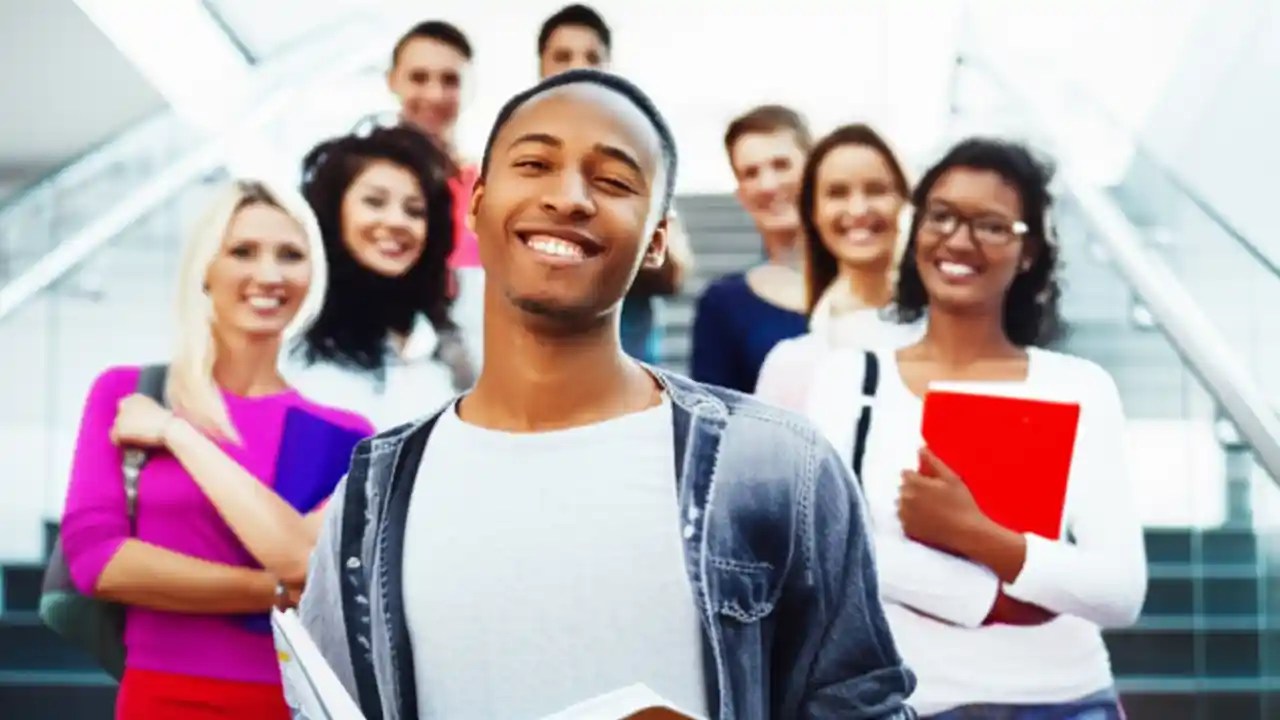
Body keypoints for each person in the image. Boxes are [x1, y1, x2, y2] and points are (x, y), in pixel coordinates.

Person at [293, 69, 916, 720]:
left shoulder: (775, 467)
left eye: (615, 181)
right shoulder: (376, 484)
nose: (568, 197)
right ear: (476, 202)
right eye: (534, 163)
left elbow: (860, 703)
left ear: (656, 240)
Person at [801, 139, 1146, 718]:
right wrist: (991, 597)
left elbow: (1118, 591)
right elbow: (821, 553)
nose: (958, 241)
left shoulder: (1078, 386)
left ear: (1029, 250)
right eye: (941, 216)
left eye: (990, 225)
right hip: (908, 701)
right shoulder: (850, 378)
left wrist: (974, 533)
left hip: (1063, 699)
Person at [58, 180, 373, 719]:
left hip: (289, 704)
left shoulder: (342, 435)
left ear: (311, 275)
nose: (269, 274)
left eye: (290, 255)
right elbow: (98, 562)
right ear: (205, 268)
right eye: (243, 251)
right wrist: (276, 592)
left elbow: (300, 558)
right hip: (161, 699)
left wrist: (179, 435)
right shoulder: (125, 393)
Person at [285, 126, 475, 431]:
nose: (397, 221)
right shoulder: (291, 335)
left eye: (415, 211)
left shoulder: (443, 344)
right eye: (374, 202)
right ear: (334, 212)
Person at [536, 3, 695, 364]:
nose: (578, 66)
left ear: (609, 66)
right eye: (562, 56)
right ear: (541, 67)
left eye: (592, 56)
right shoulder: (515, 159)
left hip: (627, 369)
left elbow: (672, 273)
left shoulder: (639, 151)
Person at [756, 124, 924, 411]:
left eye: (876, 190)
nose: (858, 210)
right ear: (813, 212)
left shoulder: (952, 334)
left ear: (905, 201)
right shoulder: (791, 360)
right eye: (837, 193)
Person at [690, 105, 812, 392]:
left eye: (781, 165)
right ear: (740, 194)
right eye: (750, 173)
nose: (768, 185)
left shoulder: (866, 285)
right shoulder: (723, 303)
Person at [385, 20, 485, 354]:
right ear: (391, 80)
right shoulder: (353, 180)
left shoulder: (490, 188)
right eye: (418, 77)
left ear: (470, 88)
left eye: (450, 80)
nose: (434, 94)